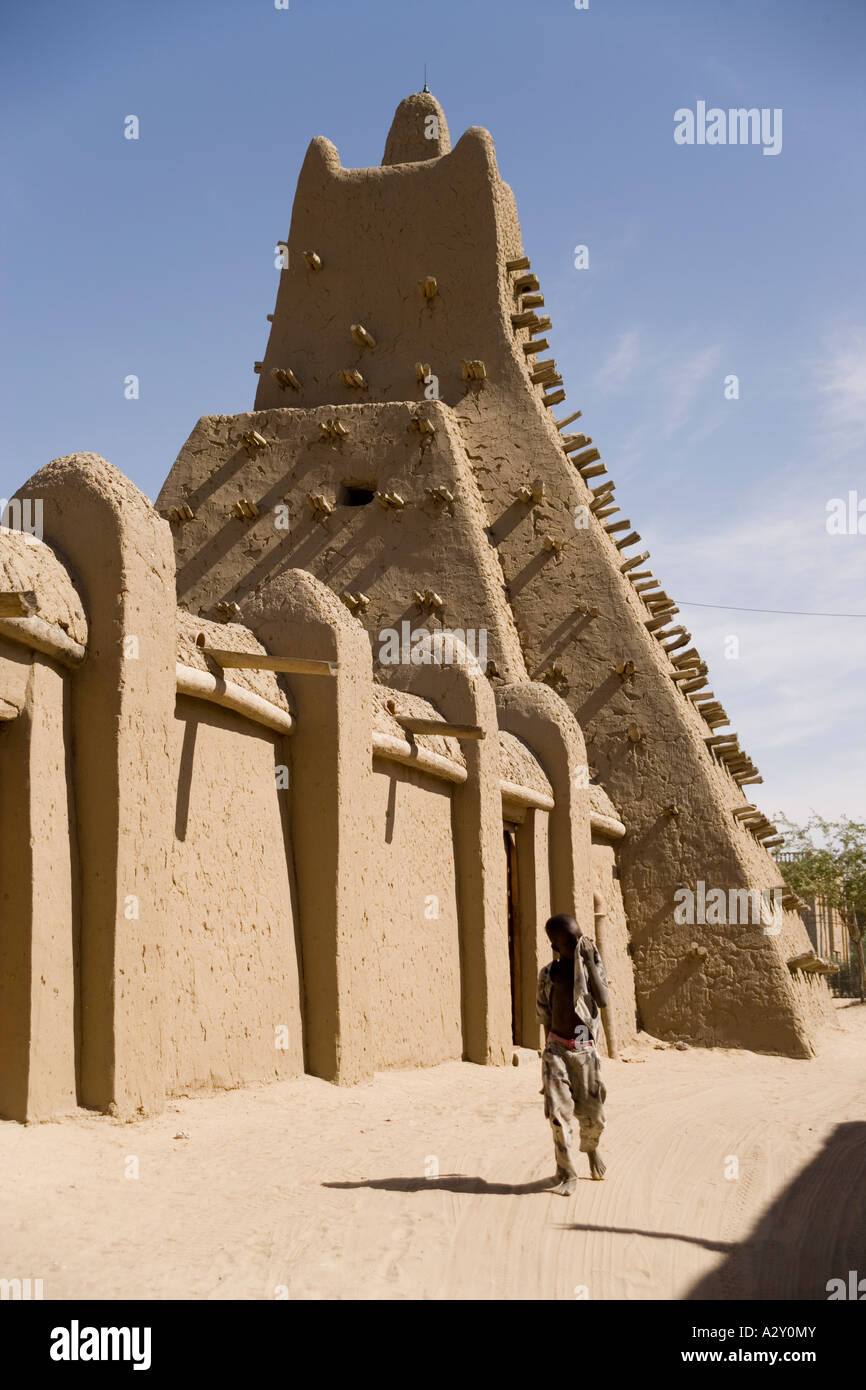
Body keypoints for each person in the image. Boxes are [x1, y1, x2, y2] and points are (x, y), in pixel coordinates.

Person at [536, 912, 610, 1194]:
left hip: (584, 1050)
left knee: (593, 1116)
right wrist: (547, 1055)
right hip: (556, 1049)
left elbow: (602, 1000)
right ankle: (566, 1171)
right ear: (555, 946)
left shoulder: (589, 968)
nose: (578, 942)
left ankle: (591, 1150)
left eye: (579, 935)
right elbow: (544, 1014)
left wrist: (590, 961)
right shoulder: (548, 974)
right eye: (570, 941)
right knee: (558, 1114)